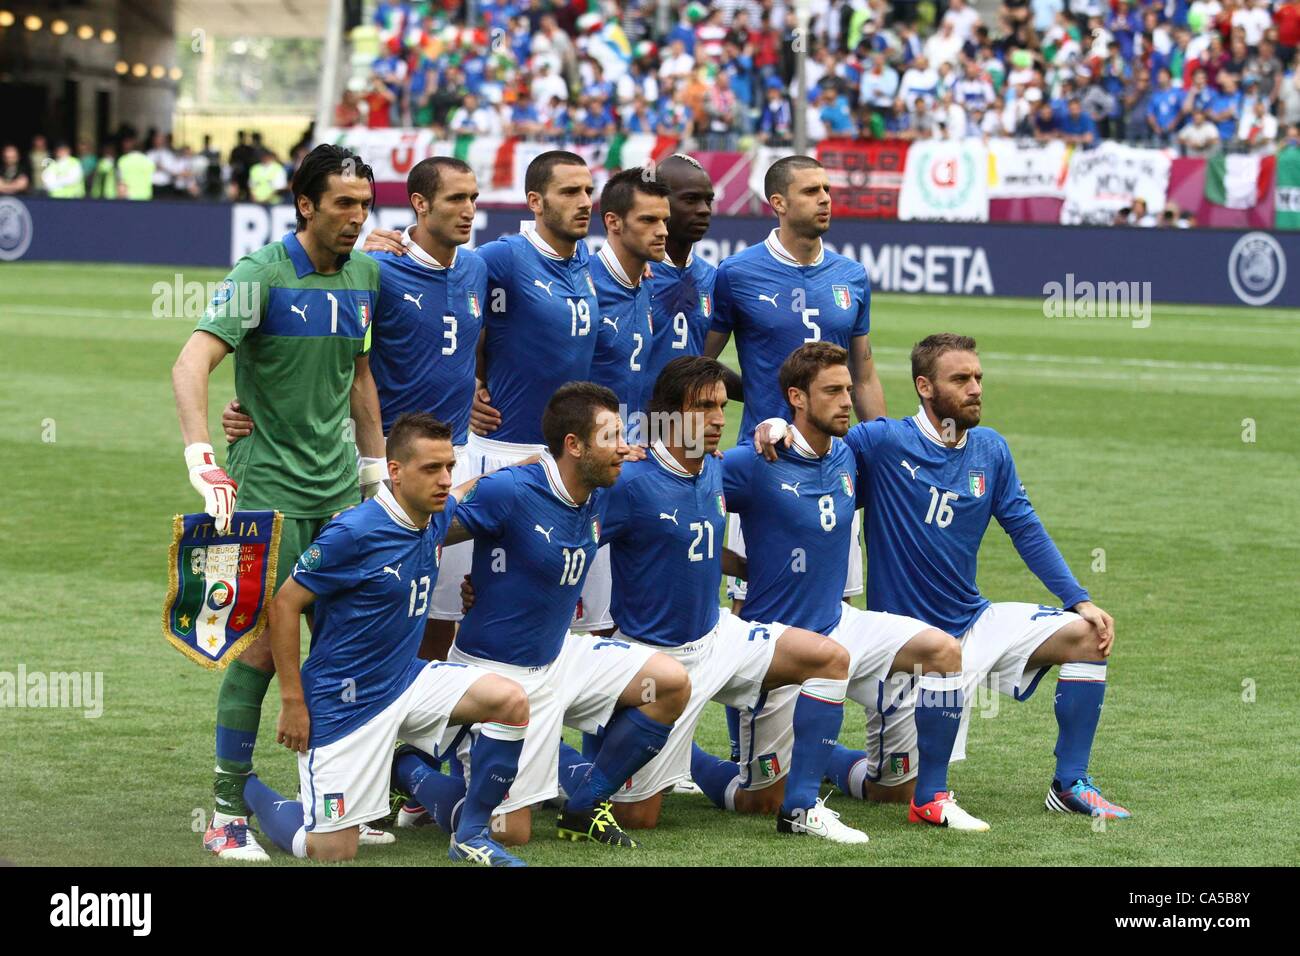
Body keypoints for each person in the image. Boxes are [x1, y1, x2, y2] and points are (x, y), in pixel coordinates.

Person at [172, 144, 387, 861]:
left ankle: (331, 795)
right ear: (306, 204)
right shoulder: (260, 274)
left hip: (336, 495)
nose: (357, 218)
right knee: (263, 648)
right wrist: (203, 455)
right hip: (267, 497)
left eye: (364, 203)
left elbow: (357, 373)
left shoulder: (363, 275)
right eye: (343, 204)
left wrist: (374, 468)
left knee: (339, 645)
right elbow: (193, 359)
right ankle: (227, 815)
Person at [817, 333, 1129, 819]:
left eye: (978, 377)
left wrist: (1078, 599)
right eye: (960, 379)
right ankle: (823, 759)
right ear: (924, 387)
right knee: (890, 790)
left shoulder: (990, 449)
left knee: (1089, 635)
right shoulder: (881, 441)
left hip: (973, 620)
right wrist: (773, 428)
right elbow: (819, 457)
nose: (975, 388)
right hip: (907, 643)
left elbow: (1024, 527)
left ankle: (1070, 783)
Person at [693, 343, 987, 831]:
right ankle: (689, 760)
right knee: (759, 801)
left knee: (942, 653)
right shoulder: (755, 461)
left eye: (849, 389)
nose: (847, 401)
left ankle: (931, 798)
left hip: (839, 623)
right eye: (832, 391)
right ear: (797, 398)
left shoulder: (851, 453)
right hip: (778, 642)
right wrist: (738, 565)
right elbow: (685, 510)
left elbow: (919, 440)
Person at [392, 383, 690, 848]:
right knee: (510, 834)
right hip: (496, 675)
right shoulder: (510, 491)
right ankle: (409, 767)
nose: (622, 447)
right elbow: (425, 528)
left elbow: (690, 455)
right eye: (610, 437)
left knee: (669, 683)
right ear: (574, 445)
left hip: (560, 657)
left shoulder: (602, 487)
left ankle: (583, 805)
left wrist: (771, 429)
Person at [580, 356, 866, 841]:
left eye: (720, 406)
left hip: (718, 638)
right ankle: (587, 750)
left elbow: (700, 539)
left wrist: (774, 424)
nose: (717, 418)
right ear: (669, 415)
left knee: (827, 659)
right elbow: (574, 542)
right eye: (702, 408)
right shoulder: (631, 480)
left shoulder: (714, 467)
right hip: (657, 660)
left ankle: (798, 810)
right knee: (639, 819)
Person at [224, 157, 488, 667]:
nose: (470, 210)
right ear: (420, 203)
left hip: (461, 457)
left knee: (447, 611)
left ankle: (427, 739)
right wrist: (246, 407)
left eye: (474, 199)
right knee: (383, 613)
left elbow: (497, 337)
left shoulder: (479, 267)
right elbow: (329, 351)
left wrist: (483, 384)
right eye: (458, 198)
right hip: (383, 463)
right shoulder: (375, 270)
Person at [242, 413, 530, 866]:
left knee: (510, 700)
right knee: (332, 853)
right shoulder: (352, 533)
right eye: (430, 469)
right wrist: (293, 700)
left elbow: (468, 491)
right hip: (344, 704)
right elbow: (284, 605)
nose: (444, 479)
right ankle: (251, 792)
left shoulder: (436, 515)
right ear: (395, 472)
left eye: (449, 466)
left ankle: (471, 834)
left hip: (406, 681)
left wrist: (539, 463)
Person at [702, 155, 885, 618]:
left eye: (827, 189)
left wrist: (882, 448)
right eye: (811, 191)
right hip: (764, 465)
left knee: (836, 608)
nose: (824, 199)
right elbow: (700, 366)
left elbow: (862, 374)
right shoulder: (737, 273)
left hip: (834, 466)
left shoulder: (851, 276)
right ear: (778, 202)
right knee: (755, 605)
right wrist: (749, 396)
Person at [643, 155, 721, 388]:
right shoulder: (635, 271)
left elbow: (697, 365)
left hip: (687, 423)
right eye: (691, 200)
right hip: (631, 421)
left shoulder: (710, 276)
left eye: (709, 201)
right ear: (659, 202)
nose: (704, 210)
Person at [116, 134, 155, 200]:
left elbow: (121, 181)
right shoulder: (149, 161)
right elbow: (153, 178)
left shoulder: (123, 160)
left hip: (128, 196)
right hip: (146, 196)